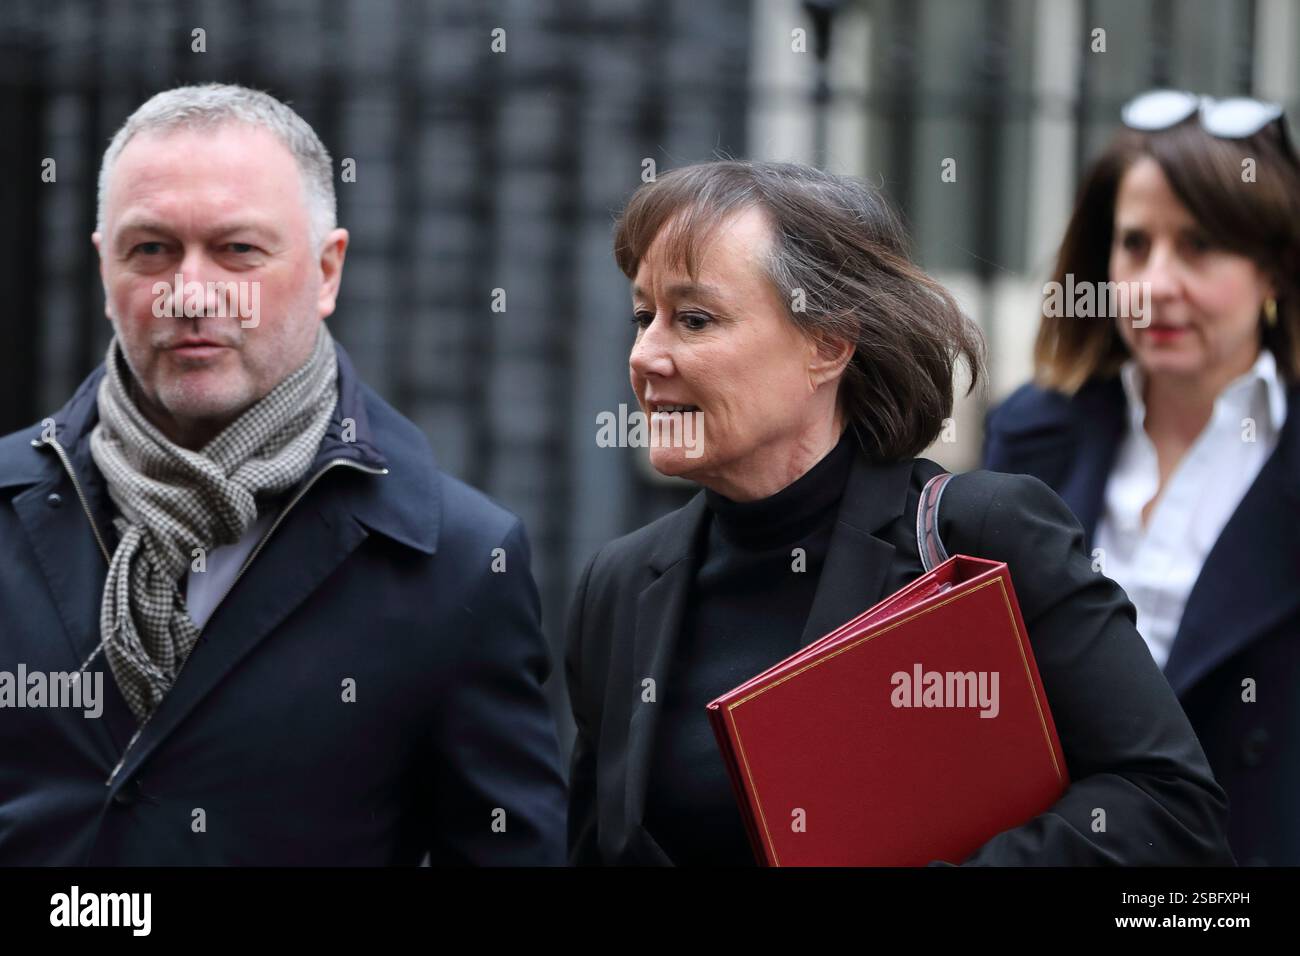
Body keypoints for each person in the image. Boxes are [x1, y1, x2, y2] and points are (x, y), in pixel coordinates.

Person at [564, 159, 1234, 866]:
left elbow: (1169, 808)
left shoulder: (984, 536)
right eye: (645, 317)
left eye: (695, 319)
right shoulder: (619, 585)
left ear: (828, 345)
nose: (647, 356)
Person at [0, 83, 565, 865]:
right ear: (105, 268)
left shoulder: (459, 560)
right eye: (152, 249)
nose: (192, 293)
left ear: (327, 271)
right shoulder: (9, 505)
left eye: (238, 250)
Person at [984, 90, 1300, 866]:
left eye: (1197, 247)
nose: (1155, 282)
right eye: (1134, 244)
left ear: (1274, 270)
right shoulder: (1031, 432)